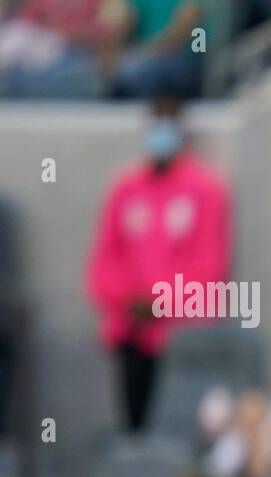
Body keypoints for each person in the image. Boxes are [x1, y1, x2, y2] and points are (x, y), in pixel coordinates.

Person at [85, 94, 230, 431]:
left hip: (182, 337)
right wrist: (128, 300)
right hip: (131, 331)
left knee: (180, 426)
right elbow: (104, 261)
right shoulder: (126, 189)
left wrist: (161, 304)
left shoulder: (205, 190)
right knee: (134, 424)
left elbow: (210, 267)